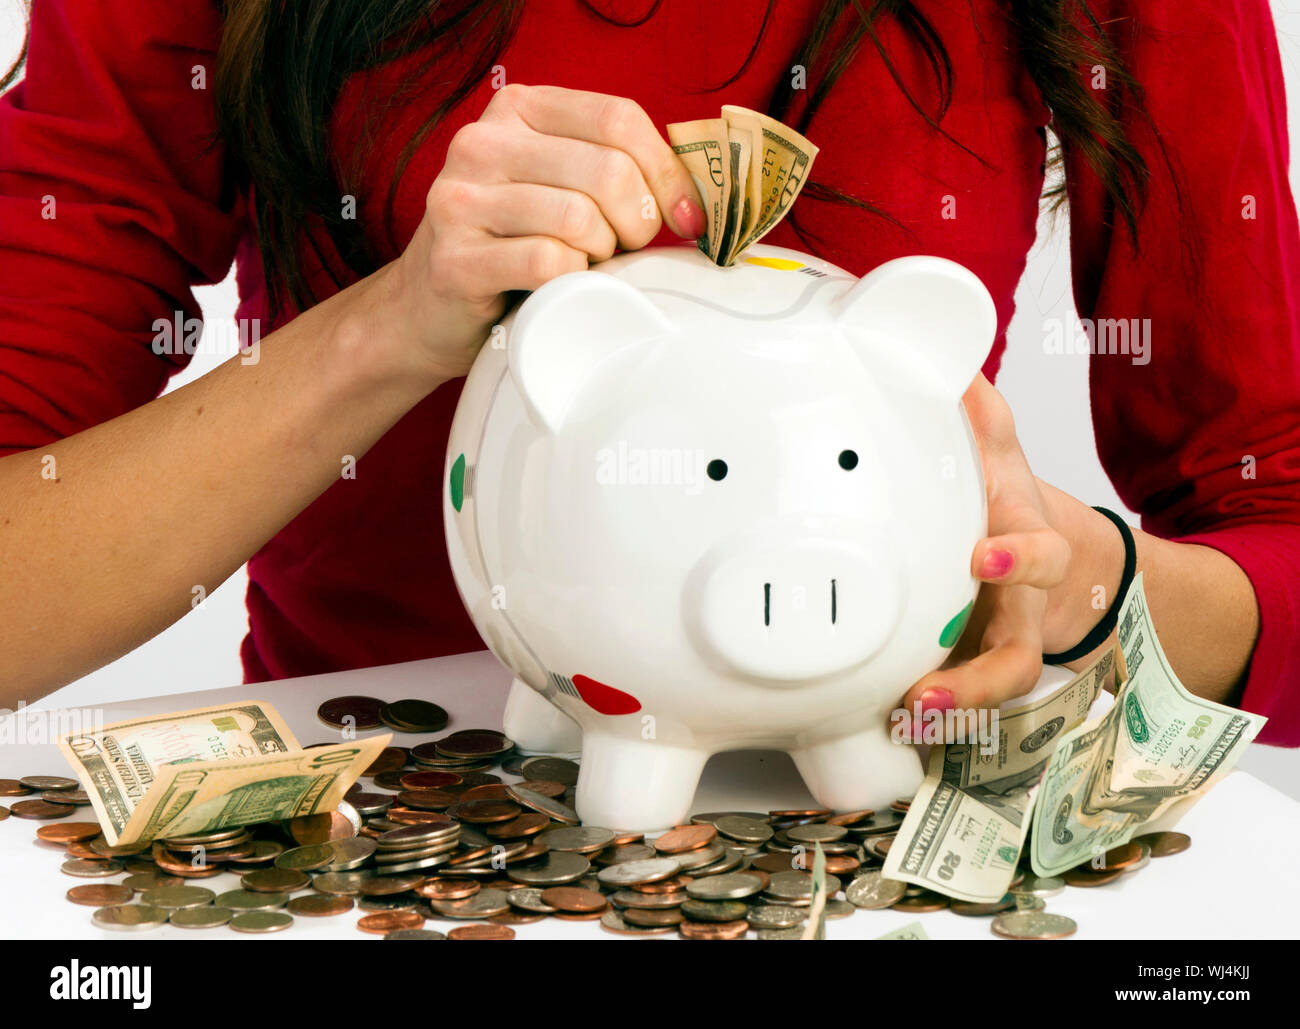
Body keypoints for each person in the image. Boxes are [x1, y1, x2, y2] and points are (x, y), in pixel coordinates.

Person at [0, 0, 1295, 747]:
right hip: (389, 838)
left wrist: (1083, 582)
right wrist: (392, 323)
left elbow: (1278, 541)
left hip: (879, 807)